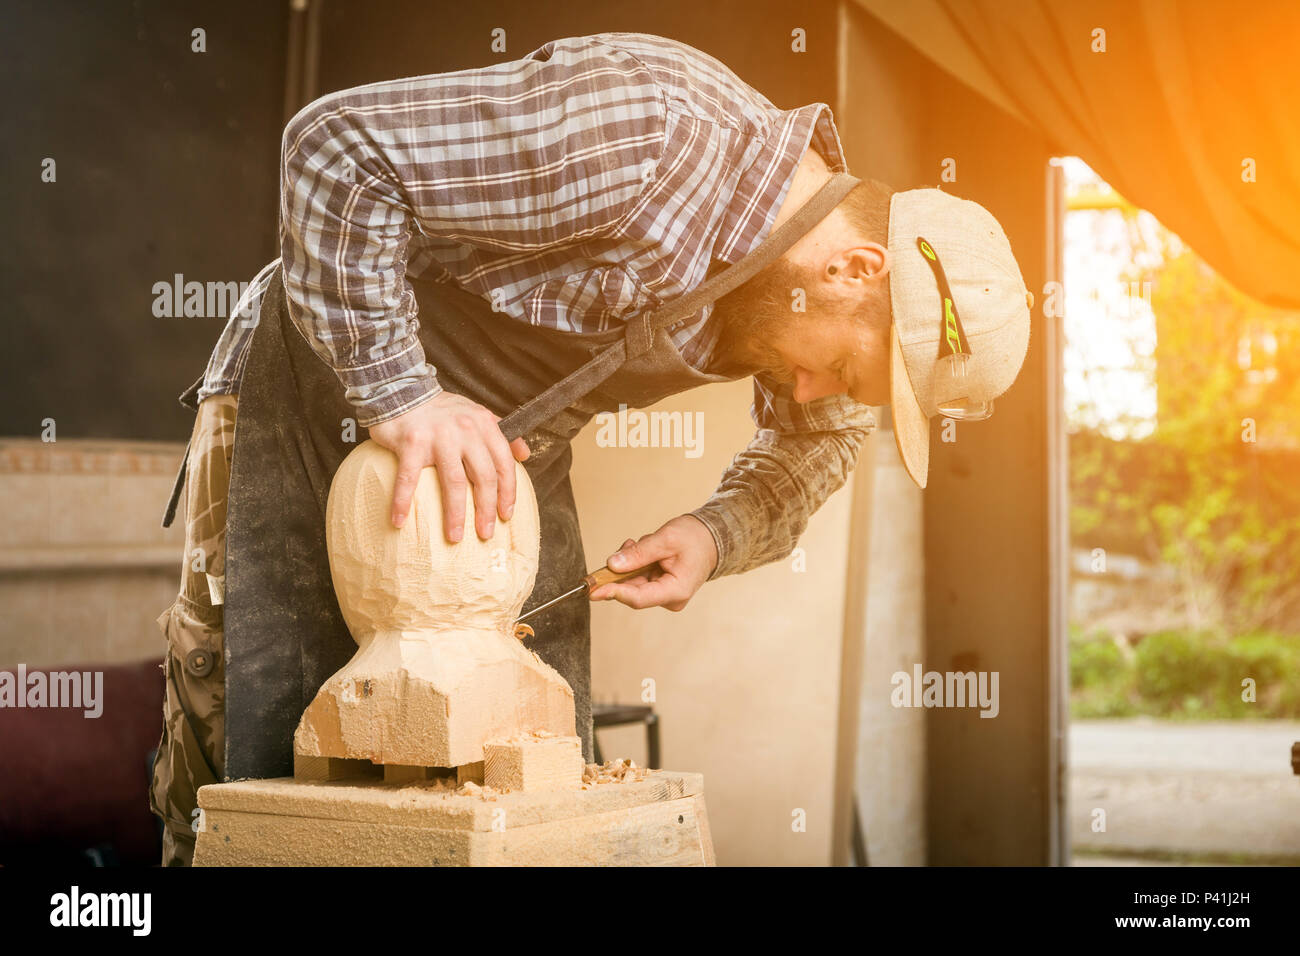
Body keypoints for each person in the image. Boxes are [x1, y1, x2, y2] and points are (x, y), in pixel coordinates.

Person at [149, 31, 1031, 865]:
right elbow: (336, 150)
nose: (809, 395)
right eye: (841, 366)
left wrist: (716, 533)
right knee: (262, 754)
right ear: (855, 270)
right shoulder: (651, 135)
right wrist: (403, 394)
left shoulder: (806, 288)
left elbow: (816, 447)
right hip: (318, 395)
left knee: (530, 771)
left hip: (506, 461)